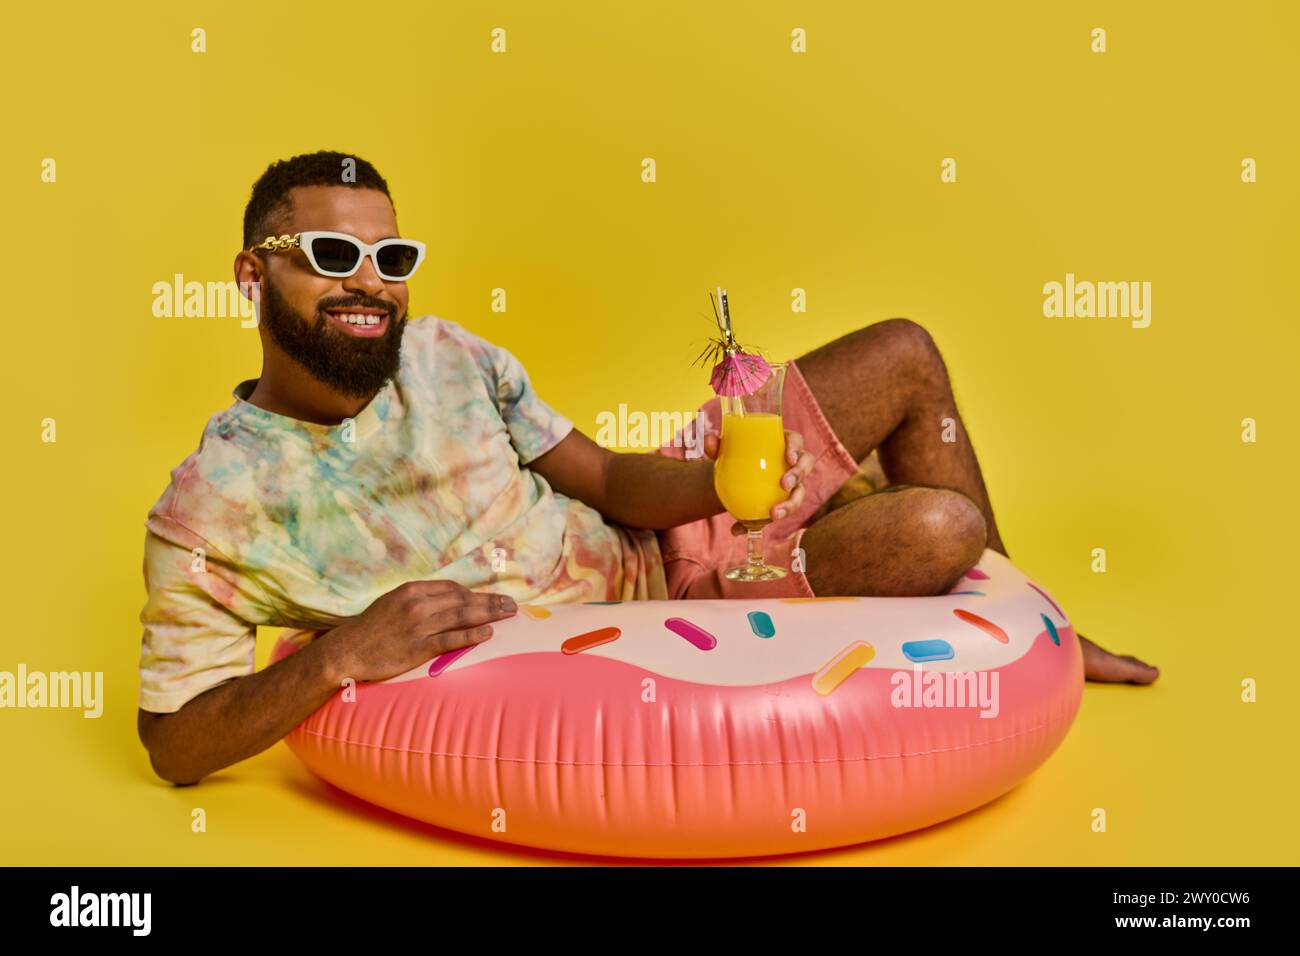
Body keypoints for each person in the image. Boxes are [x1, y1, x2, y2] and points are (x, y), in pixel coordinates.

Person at [138, 151, 1157, 785]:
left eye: (390, 260)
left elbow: (614, 482)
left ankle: (1046, 620)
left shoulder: (451, 356)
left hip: (666, 521)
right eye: (329, 253)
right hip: (674, 609)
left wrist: (716, 481)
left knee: (902, 349)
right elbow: (171, 743)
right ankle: (848, 526)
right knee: (938, 530)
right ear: (251, 271)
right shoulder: (210, 511)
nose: (368, 284)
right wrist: (333, 656)